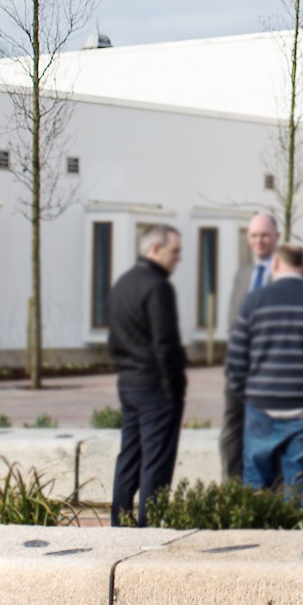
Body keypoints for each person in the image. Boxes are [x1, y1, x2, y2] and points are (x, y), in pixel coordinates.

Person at [226, 243, 303, 501]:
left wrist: (245, 393)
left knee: (255, 487)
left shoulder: (254, 302)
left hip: (261, 406)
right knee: (296, 487)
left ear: (276, 265)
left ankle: (257, 536)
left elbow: (236, 359)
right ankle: (295, 537)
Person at [109, 224, 186, 526]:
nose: (178, 258)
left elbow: (113, 340)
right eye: (174, 251)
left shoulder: (123, 283)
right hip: (156, 387)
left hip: (128, 383)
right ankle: (148, 529)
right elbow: (165, 343)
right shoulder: (157, 286)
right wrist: (175, 387)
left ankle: (120, 523)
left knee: (129, 457)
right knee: (156, 462)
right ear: (155, 249)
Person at [221, 211, 281, 479]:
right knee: (231, 430)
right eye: (254, 235)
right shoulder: (242, 276)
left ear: (276, 238)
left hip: (272, 374)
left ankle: (269, 499)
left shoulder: (289, 276)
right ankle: (232, 494)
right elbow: (232, 324)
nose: (259, 241)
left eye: (264, 235)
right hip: (239, 371)